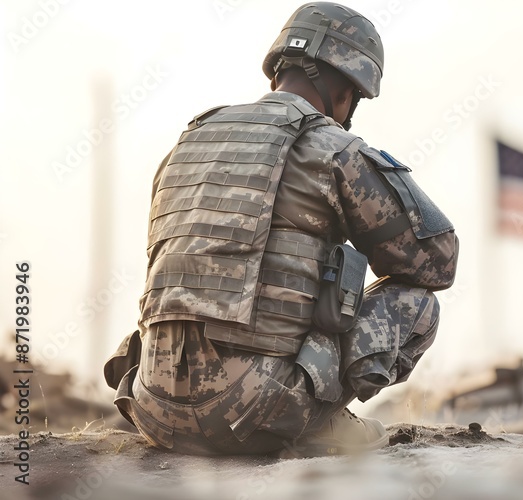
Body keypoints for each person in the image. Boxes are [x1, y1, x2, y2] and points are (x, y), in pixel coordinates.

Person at [102, 2, 458, 457]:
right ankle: (317, 422)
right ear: (346, 87)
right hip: (253, 412)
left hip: (153, 409)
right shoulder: (333, 147)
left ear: (277, 71)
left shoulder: (187, 142)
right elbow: (438, 264)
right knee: (419, 304)